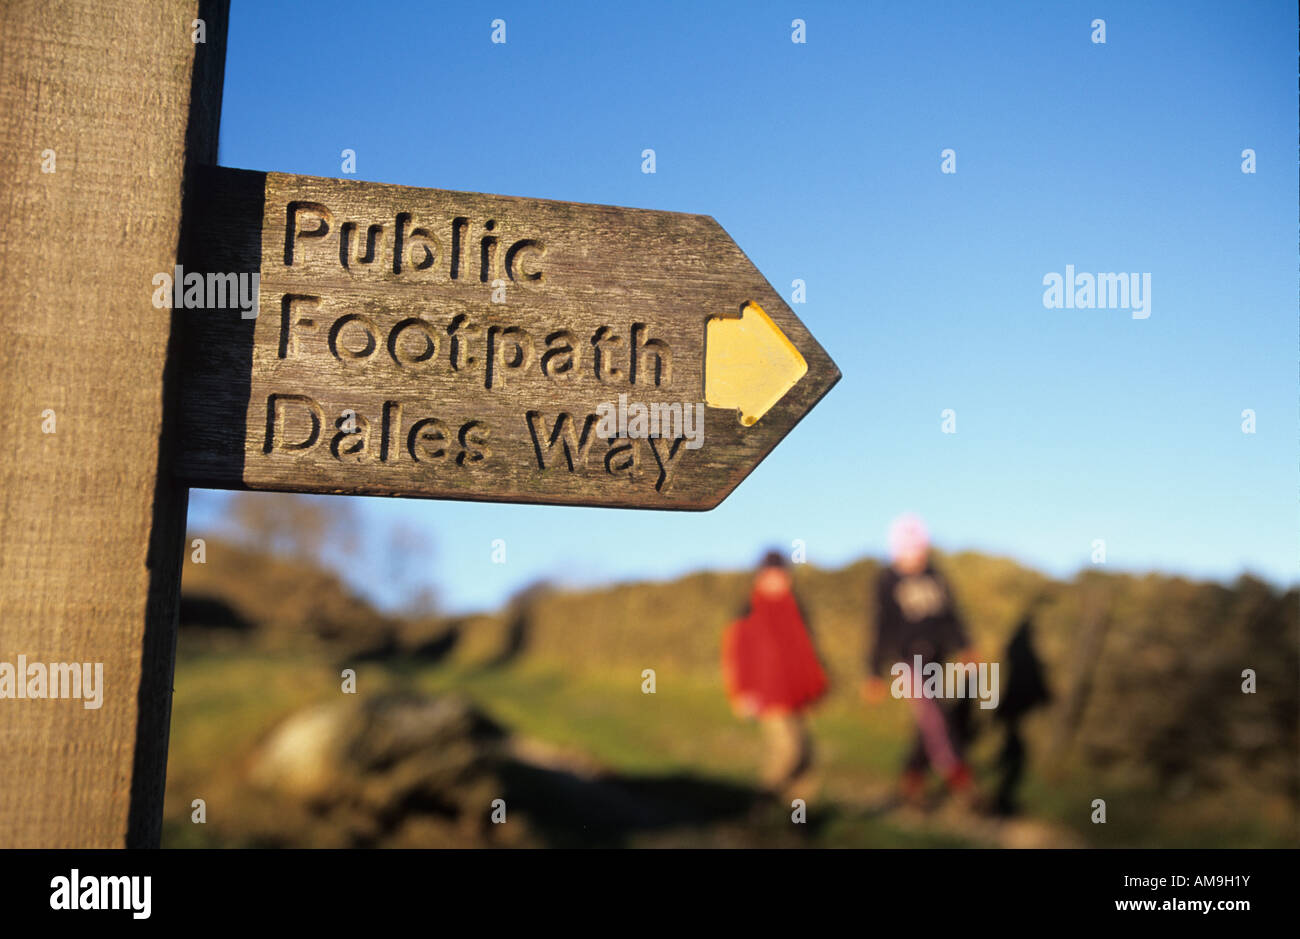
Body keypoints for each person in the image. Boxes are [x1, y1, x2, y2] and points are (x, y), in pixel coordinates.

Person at [863, 514, 980, 808]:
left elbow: (950, 615)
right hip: (907, 660)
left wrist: (966, 646)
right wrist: (874, 672)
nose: (917, 556)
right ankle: (958, 776)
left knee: (930, 720)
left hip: (937, 657)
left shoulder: (934, 575)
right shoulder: (887, 580)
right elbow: (880, 627)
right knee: (935, 715)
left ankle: (912, 777)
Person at [722, 550, 828, 796]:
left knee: (806, 758)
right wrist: (740, 693)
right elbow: (735, 657)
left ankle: (798, 819)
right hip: (768, 695)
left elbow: (807, 652)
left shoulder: (795, 609)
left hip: (796, 694)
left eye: (781, 574)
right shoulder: (747, 612)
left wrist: (815, 686)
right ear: (760, 577)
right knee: (788, 751)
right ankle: (760, 801)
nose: (778, 581)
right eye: (771, 575)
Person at [992, 613, 1051, 815]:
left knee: (1010, 756)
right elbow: (1034, 685)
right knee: (1014, 758)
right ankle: (1001, 801)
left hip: (1011, 713)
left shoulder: (1016, 654)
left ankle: (999, 799)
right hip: (1016, 714)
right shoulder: (1025, 657)